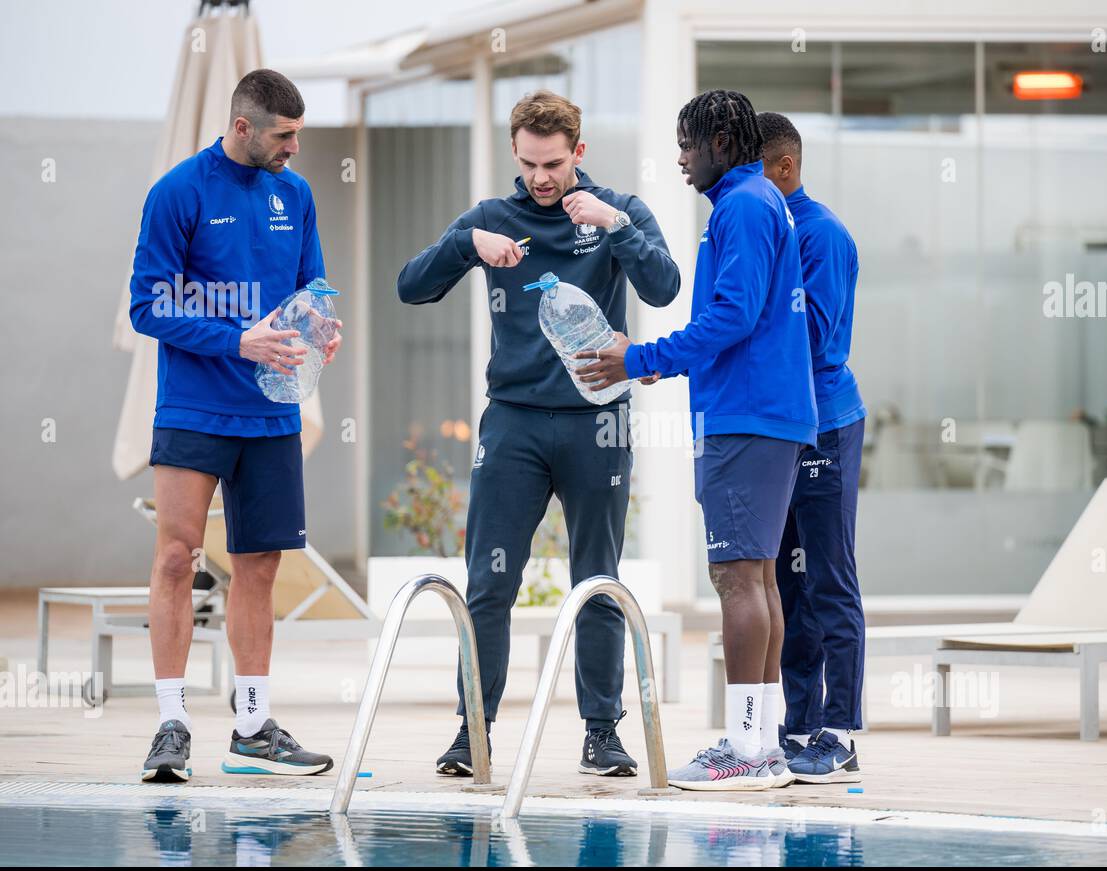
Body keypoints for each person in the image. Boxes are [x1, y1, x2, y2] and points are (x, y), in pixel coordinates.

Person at [397, 90, 680, 777]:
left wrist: (616, 226)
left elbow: (665, 288)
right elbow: (410, 286)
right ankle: (474, 733)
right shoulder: (494, 219)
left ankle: (602, 734)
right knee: (490, 583)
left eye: (552, 163)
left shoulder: (617, 212)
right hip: (515, 424)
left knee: (598, 580)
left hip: (597, 423)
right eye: (528, 164)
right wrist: (466, 244)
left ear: (577, 152)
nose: (541, 178)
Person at [577, 90, 816, 790]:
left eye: (686, 145)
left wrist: (641, 357)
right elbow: (737, 319)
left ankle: (745, 748)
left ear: (718, 140)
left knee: (736, 577)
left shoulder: (742, 205)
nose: (679, 160)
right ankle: (763, 742)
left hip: (749, 416)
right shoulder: (756, 202)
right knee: (760, 576)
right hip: (763, 413)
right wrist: (670, 361)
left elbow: (734, 316)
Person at [128, 69, 342, 782]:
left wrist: (320, 325)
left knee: (260, 566)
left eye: (299, 135)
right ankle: (170, 725)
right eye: (284, 136)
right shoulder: (178, 192)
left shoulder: (296, 195)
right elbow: (146, 307)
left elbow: (311, 286)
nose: (294, 149)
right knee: (175, 557)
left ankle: (252, 724)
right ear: (244, 127)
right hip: (193, 406)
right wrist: (235, 339)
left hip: (273, 412)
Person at [758, 111, 866, 783]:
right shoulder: (768, 228)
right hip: (781, 426)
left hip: (825, 422)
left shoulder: (822, 234)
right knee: (788, 583)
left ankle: (841, 730)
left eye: (754, 171)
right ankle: (798, 725)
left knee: (829, 578)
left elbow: (817, 341)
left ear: (785, 168)